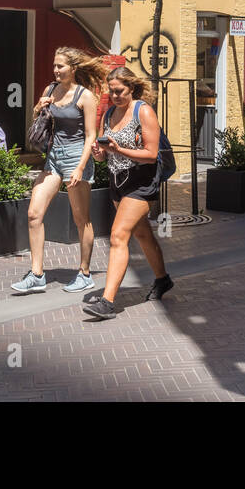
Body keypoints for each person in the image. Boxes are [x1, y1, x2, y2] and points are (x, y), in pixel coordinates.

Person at [11, 47, 106, 295]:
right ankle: (37, 274)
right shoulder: (50, 90)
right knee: (34, 214)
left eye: (60, 66)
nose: (55, 70)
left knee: (80, 219)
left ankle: (85, 274)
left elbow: (90, 136)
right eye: (54, 66)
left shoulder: (85, 97)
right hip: (53, 159)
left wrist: (81, 167)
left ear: (73, 68)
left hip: (76, 159)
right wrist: (37, 108)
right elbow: (41, 120)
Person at [83, 67, 172, 320]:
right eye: (111, 91)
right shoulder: (109, 113)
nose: (115, 96)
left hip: (141, 182)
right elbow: (105, 150)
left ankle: (107, 302)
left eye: (120, 91)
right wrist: (100, 153)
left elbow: (151, 154)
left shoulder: (142, 111)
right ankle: (163, 279)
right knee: (142, 233)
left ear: (131, 88)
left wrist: (118, 150)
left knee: (118, 236)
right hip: (117, 181)